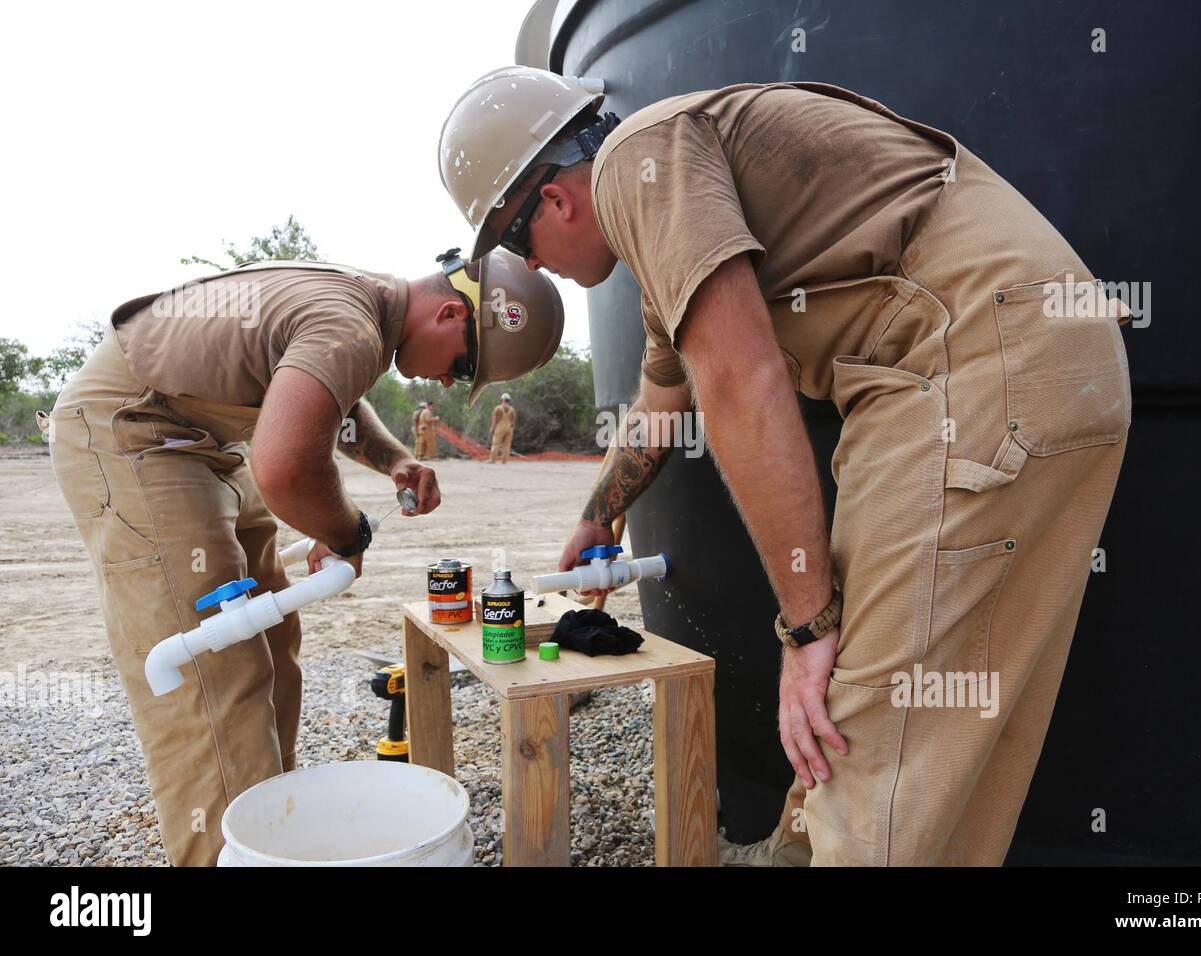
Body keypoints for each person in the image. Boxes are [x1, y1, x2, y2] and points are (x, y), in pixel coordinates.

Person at [438, 68, 1131, 866]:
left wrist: (805, 628)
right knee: (929, 747)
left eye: (516, 241)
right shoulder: (674, 215)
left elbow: (740, 380)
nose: (533, 266)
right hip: (1033, 362)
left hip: (975, 364)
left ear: (554, 201)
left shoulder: (639, 160)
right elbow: (667, 394)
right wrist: (597, 519)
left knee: (869, 736)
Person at [45, 247, 563, 865]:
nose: (449, 382)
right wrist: (346, 534)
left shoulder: (363, 310)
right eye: (462, 365)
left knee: (268, 636)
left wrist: (395, 458)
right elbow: (288, 469)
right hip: (135, 432)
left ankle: (270, 838)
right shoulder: (349, 322)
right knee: (215, 673)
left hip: (199, 441)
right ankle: (224, 857)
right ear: (452, 313)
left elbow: (327, 397)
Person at [488, 392, 516, 463]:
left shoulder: (498, 408)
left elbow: (494, 419)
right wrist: (510, 428)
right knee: (506, 445)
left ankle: (492, 460)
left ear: (502, 399)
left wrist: (492, 428)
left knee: (496, 444)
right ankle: (504, 461)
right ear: (509, 400)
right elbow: (513, 422)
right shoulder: (512, 410)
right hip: (509, 429)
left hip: (500, 428)